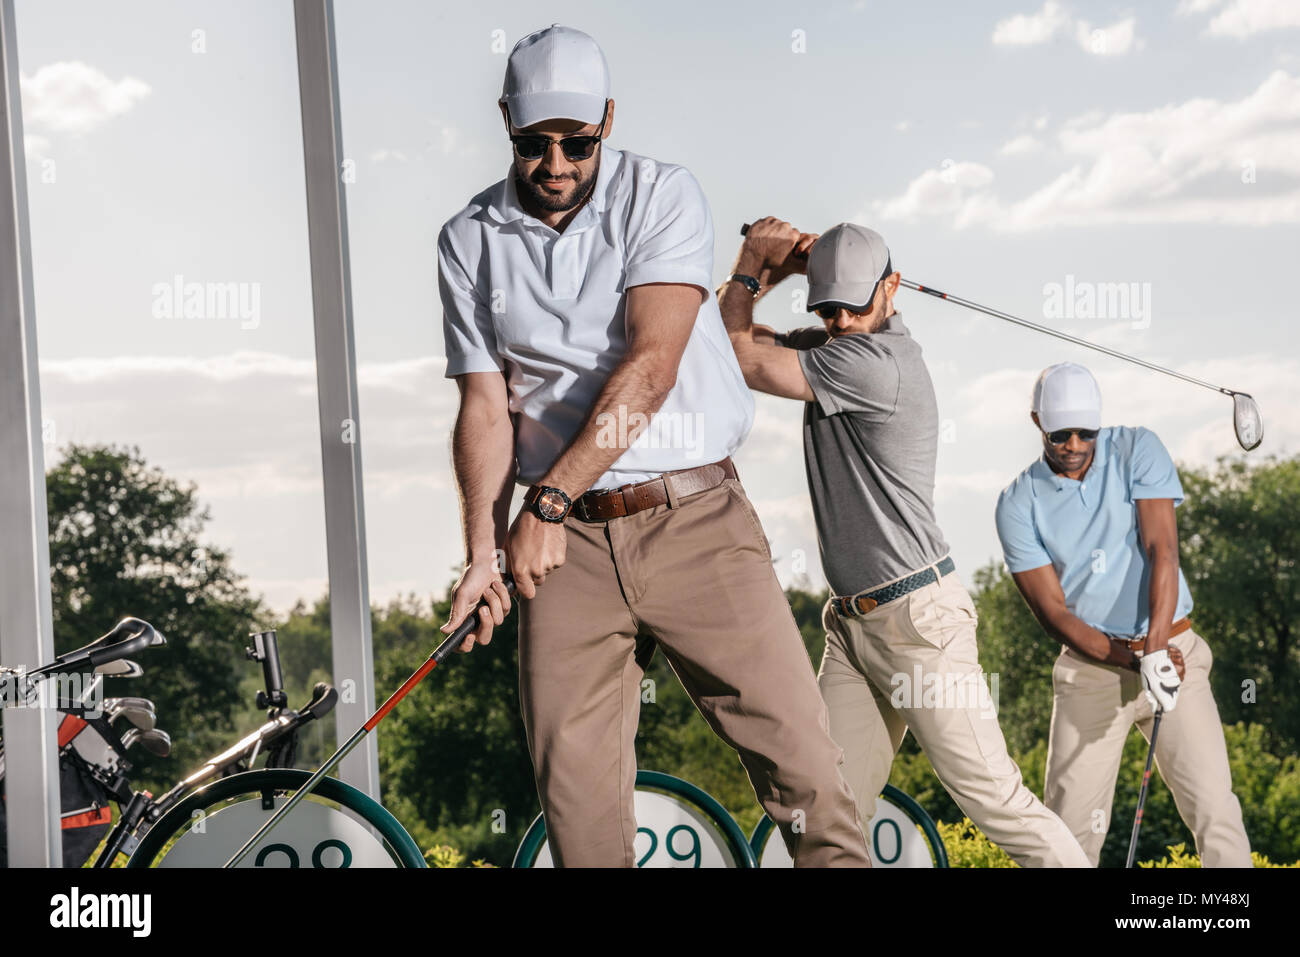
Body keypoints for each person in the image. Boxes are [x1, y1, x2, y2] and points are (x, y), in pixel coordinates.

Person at [436, 27, 870, 867]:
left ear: (606, 119)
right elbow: (485, 408)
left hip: (694, 518)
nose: (556, 162)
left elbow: (653, 363)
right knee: (581, 820)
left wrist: (546, 501)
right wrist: (481, 554)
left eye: (577, 141)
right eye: (534, 143)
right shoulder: (467, 240)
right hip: (565, 555)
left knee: (808, 778)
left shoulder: (662, 195)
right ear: (505, 125)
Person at [721, 217, 1090, 867]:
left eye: (854, 304)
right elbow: (727, 338)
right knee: (826, 814)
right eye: (828, 308)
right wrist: (801, 269)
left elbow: (739, 356)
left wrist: (756, 263)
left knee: (996, 799)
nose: (840, 320)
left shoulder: (875, 363)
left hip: (920, 623)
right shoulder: (838, 344)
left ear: (891, 286)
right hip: (855, 626)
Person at [994, 362, 1252, 866]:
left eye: (1084, 432)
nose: (1073, 444)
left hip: (1175, 652)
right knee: (1067, 833)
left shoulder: (1137, 448)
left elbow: (1164, 550)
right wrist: (1136, 662)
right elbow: (1054, 615)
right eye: (1059, 433)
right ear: (1036, 422)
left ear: (1099, 423)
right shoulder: (1017, 501)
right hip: (1091, 672)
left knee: (1215, 810)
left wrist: (1155, 649)